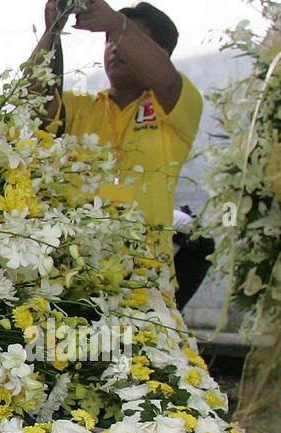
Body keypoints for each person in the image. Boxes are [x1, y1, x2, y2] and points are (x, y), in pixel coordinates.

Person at [27, 1, 202, 259]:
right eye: (109, 40)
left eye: (131, 38)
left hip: (147, 279)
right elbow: (30, 100)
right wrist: (52, 28)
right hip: (78, 277)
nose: (115, 46)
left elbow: (166, 82)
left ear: (160, 53)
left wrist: (117, 24)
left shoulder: (178, 102)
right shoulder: (79, 106)